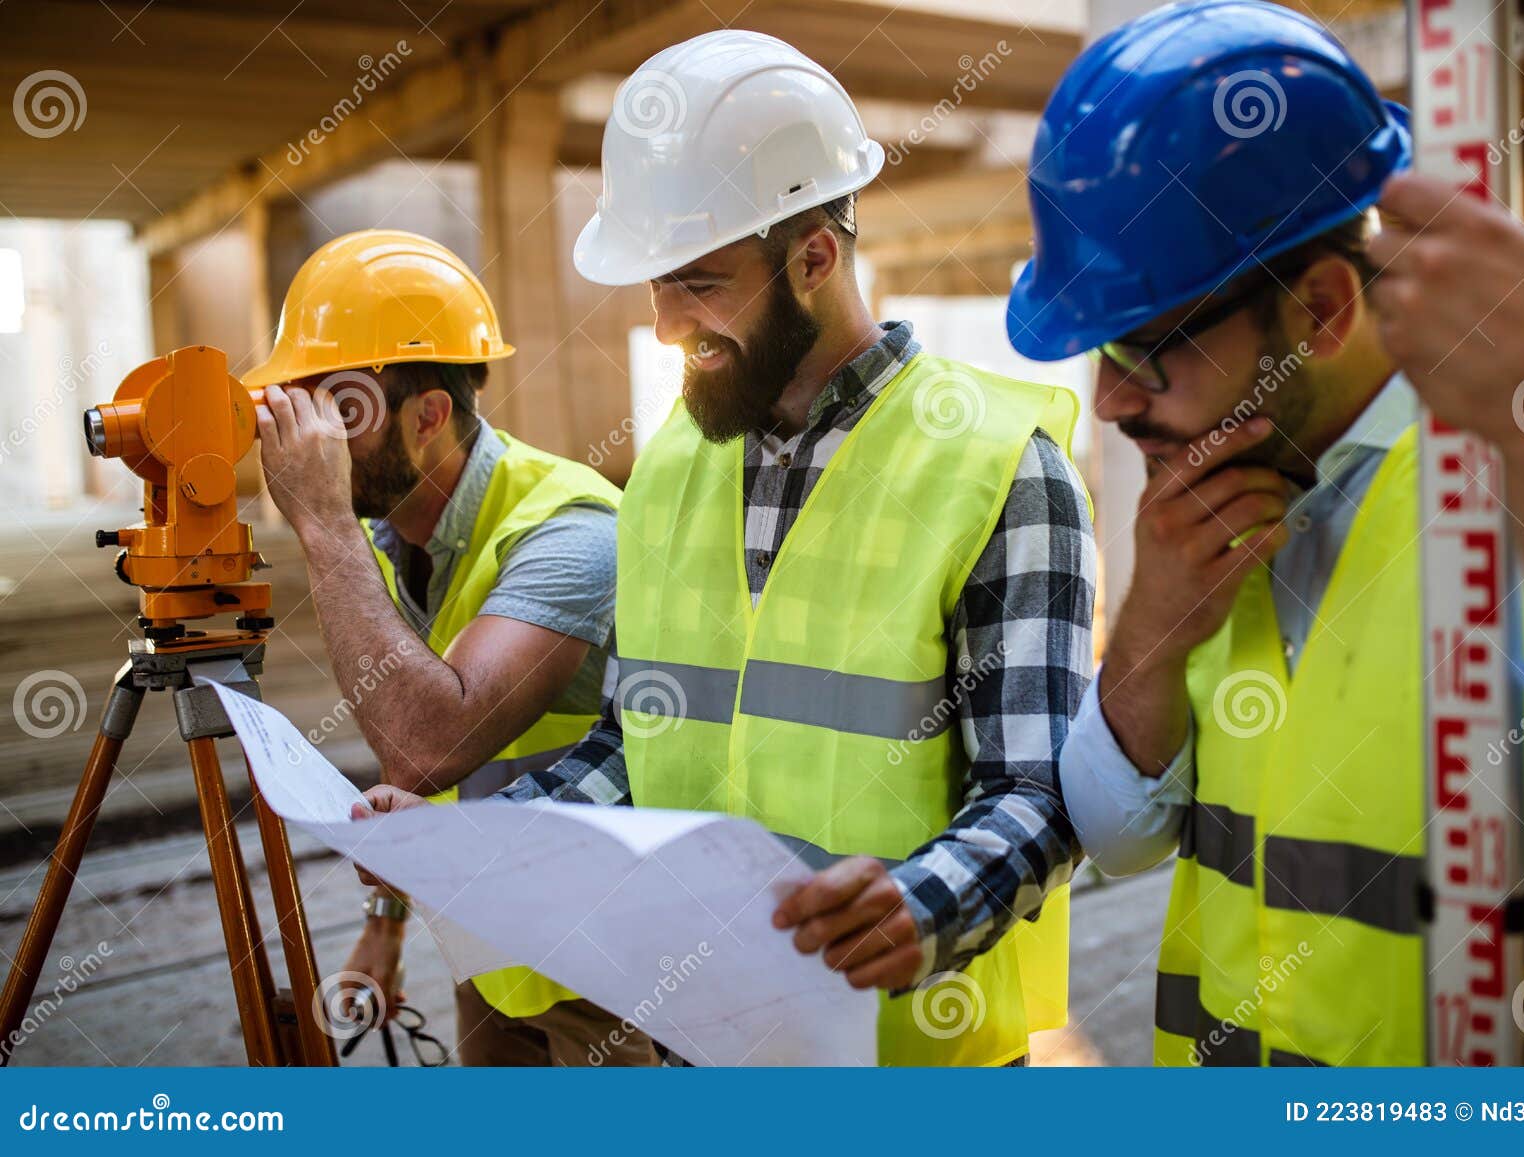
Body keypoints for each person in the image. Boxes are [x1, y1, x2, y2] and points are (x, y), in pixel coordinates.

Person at [356, 30, 1096, 1066]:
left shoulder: (996, 467)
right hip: (699, 1044)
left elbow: (1041, 790)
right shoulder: (668, 470)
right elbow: (637, 744)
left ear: (814, 256)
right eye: (654, 285)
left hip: (915, 1060)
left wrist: (915, 906)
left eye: (698, 283)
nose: (664, 324)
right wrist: (475, 844)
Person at [1009, 0, 1524, 1065]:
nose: (1106, 403)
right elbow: (1117, 837)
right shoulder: (1212, 504)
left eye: (1144, 351)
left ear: (1322, 309)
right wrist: (1150, 627)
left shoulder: (1522, 488)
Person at [245, 230, 655, 1066]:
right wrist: (387, 928)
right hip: (493, 943)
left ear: (429, 416)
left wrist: (321, 521)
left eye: (338, 409)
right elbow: (417, 749)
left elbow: (426, 738)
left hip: (605, 963)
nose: (310, 437)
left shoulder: (567, 532)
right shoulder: (393, 535)